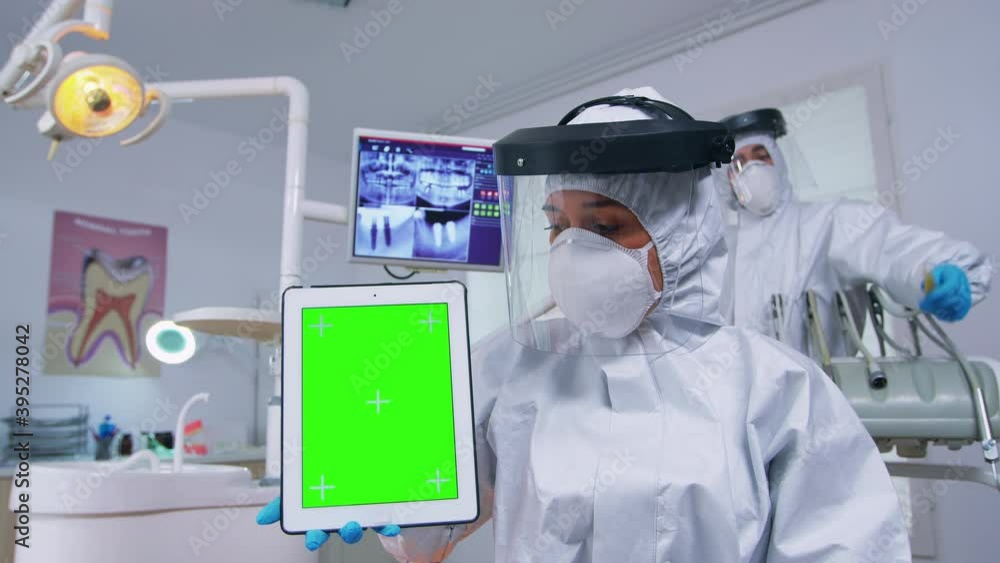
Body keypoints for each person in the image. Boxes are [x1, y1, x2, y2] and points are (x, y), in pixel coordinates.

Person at [259, 88, 911, 562]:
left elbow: (846, 545)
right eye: (558, 226)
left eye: (605, 225)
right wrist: (364, 489)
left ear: (680, 231)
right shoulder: (509, 365)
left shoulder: (776, 389)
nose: (573, 251)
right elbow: (430, 524)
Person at [715, 108, 992, 360]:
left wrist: (935, 270)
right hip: (737, 395)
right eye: (739, 163)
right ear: (727, 179)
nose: (753, 170)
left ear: (779, 162)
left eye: (762, 156)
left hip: (822, 393)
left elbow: (887, 248)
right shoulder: (719, 248)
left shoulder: (827, 224)